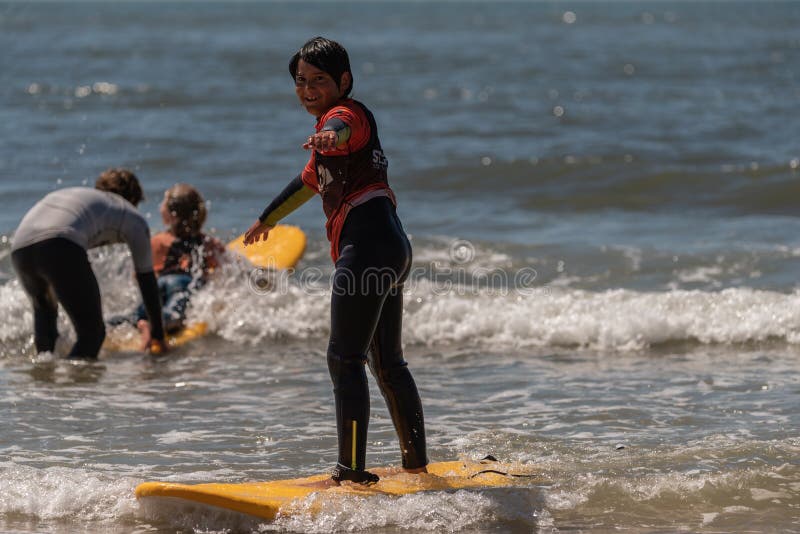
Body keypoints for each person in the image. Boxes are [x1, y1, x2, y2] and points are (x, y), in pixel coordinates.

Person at [243, 37, 428, 484]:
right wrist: (266, 218)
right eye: (300, 82)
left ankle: (350, 472)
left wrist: (330, 132)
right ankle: (416, 467)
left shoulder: (349, 117)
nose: (307, 89)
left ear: (344, 81)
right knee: (387, 364)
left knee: (345, 360)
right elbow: (306, 184)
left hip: (366, 250)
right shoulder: (328, 145)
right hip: (392, 247)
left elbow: (343, 127)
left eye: (319, 81)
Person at [11, 168, 167, 359]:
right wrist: (158, 334)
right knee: (92, 334)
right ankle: (71, 388)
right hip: (59, 242)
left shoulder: (87, 200)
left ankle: (44, 384)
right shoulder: (130, 214)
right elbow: (146, 278)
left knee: (46, 321)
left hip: (20, 247)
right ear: (133, 199)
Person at [125, 183, 226, 344]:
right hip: (183, 282)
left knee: (135, 315)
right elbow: (225, 269)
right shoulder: (208, 243)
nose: (159, 206)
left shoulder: (157, 241)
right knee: (174, 315)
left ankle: (115, 323)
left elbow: (138, 275)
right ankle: (154, 326)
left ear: (171, 215)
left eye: (162, 203)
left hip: (157, 284)